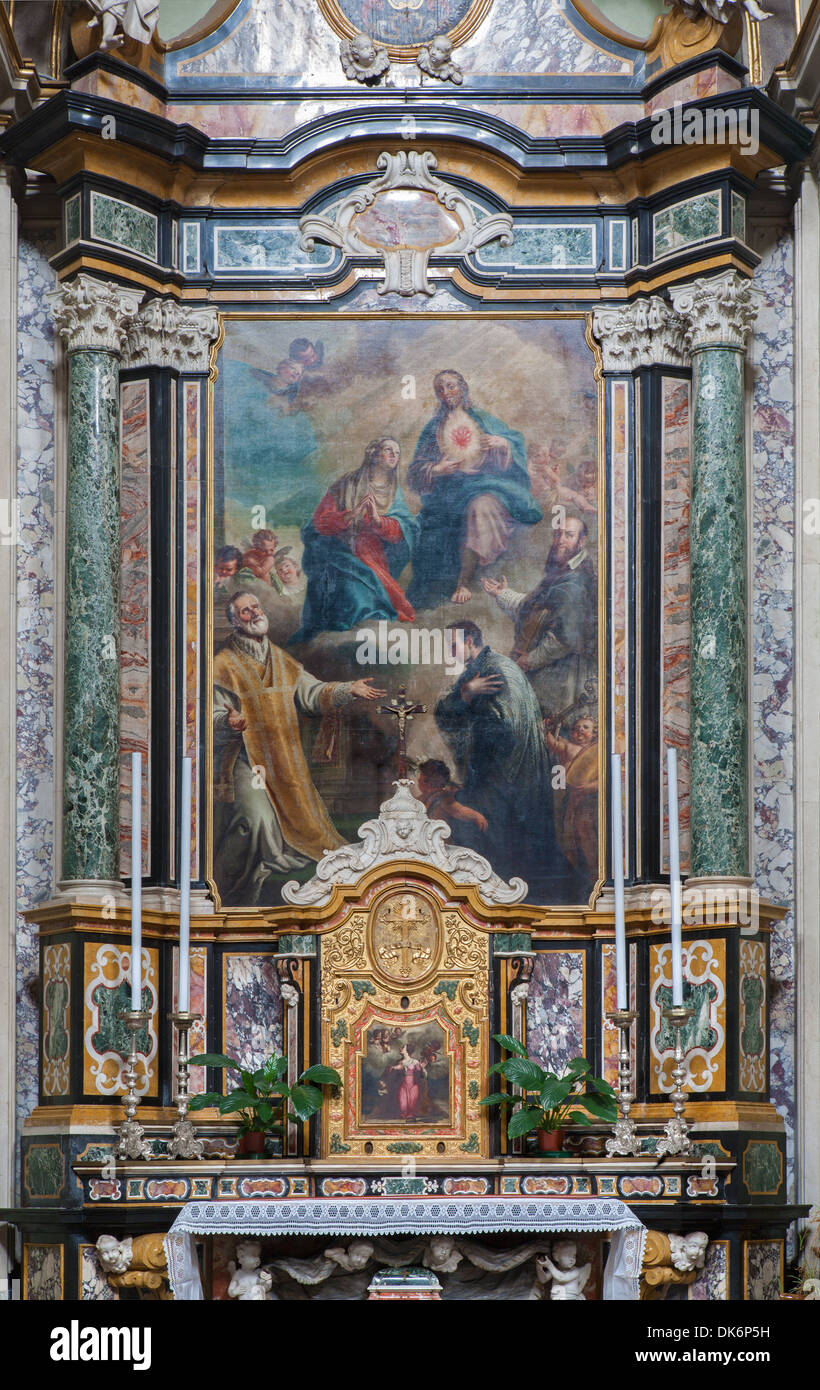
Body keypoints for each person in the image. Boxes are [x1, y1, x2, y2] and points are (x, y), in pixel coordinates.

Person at [213, 591, 384, 905]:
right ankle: (226, 894)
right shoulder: (222, 665)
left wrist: (349, 689)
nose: (254, 613)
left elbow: (311, 692)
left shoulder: (279, 658)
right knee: (256, 820)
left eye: (256, 606)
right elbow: (209, 714)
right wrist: (227, 721)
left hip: (283, 760)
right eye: (245, 611)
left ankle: (278, 853)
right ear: (236, 621)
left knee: (308, 825)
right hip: (243, 760)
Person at [434, 620, 576, 901]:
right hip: (498, 772)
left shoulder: (496, 670)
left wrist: (467, 700)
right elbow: (445, 711)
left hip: (505, 775)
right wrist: (467, 693)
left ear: (471, 641)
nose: (451, 653)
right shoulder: (479, 671)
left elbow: (503, 729)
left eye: (454, 646)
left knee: (485, 835)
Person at [406, 370, 542, 608]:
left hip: (489, 485)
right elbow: (415, 471)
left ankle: (464, 582)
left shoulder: (483, 420)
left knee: (480, 507)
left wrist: (503, 444)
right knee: (433, 529)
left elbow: (516, 443)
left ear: (462, 388)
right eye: (440, 389)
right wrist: (437, 470)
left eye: (451, 386)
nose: (446, 393)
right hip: (449, 492)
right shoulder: (433, 429)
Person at [291, 437, 419, 641]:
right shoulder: (346, 484)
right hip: (339, 549)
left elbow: (403, 529)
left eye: (397, 451)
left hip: (371, 554)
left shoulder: (394, 491)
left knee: (370, 599)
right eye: (388, 450)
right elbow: (320, 520)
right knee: (347, 589)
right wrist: (350, 515)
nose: (395, 455)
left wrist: (378, 520)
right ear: (375, 455)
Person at [481, 514, 597, 717]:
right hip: (545, 672)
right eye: (558, 534)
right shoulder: (561, 573)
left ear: (581, 541)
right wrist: (502, 594)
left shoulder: (575, 582)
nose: (560, 540)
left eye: (568, 535)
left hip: (558, 676)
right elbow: (535, 612)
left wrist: (527, 661)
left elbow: (564, 640)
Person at [545, 713, 598, 879]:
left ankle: (594, 871)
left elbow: (605, 778)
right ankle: (571, 871)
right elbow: (552, 744)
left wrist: (589, 787)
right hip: (569, 795)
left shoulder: (597, 751)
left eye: (585, 727)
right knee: (568, 833)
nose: (580, 730)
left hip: (588, 798)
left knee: (586, 831)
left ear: (594, 734)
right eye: (576, 728)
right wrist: (548, 728)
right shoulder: (567, 746)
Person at [414, 758, 488, 835]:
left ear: (435, 781)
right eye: (420, 780)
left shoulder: (443, 796)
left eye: (423, 780)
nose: (419, 782)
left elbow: (459, 810)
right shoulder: (421, 798)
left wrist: (476, 815)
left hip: (439, 837)